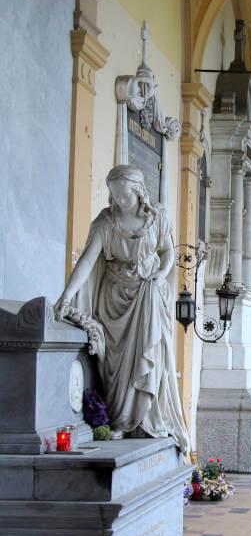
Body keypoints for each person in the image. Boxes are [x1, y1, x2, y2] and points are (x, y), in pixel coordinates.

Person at [56, 165, 190, 455]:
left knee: (146, 356)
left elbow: (168, 251)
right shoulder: (106, 222)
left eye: (124, 196)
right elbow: (88, 261)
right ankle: (119, 419)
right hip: (113, 298)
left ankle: (145, 422)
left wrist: (160, 273)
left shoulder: (158, 218)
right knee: (115, 368)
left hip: (147, 295)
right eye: (114, 196)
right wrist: (67, 295)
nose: (118, 201)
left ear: (138, 192)